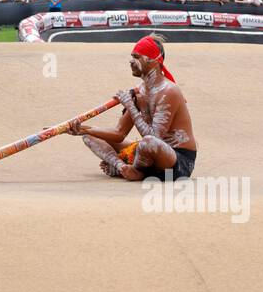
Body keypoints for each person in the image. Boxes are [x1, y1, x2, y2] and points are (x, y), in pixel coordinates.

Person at [66, 34, 197, 182]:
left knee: (148, 142)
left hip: (177, 164)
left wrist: (130, 106)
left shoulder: (169, 91)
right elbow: (119, 133)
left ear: (153, 61)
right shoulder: (139, 90)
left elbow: (155, 139)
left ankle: (135, 170)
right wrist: (82, 129)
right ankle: (122, 168)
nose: (131, 61)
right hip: (148, 157)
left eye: (136, 57)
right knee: (90, 136)